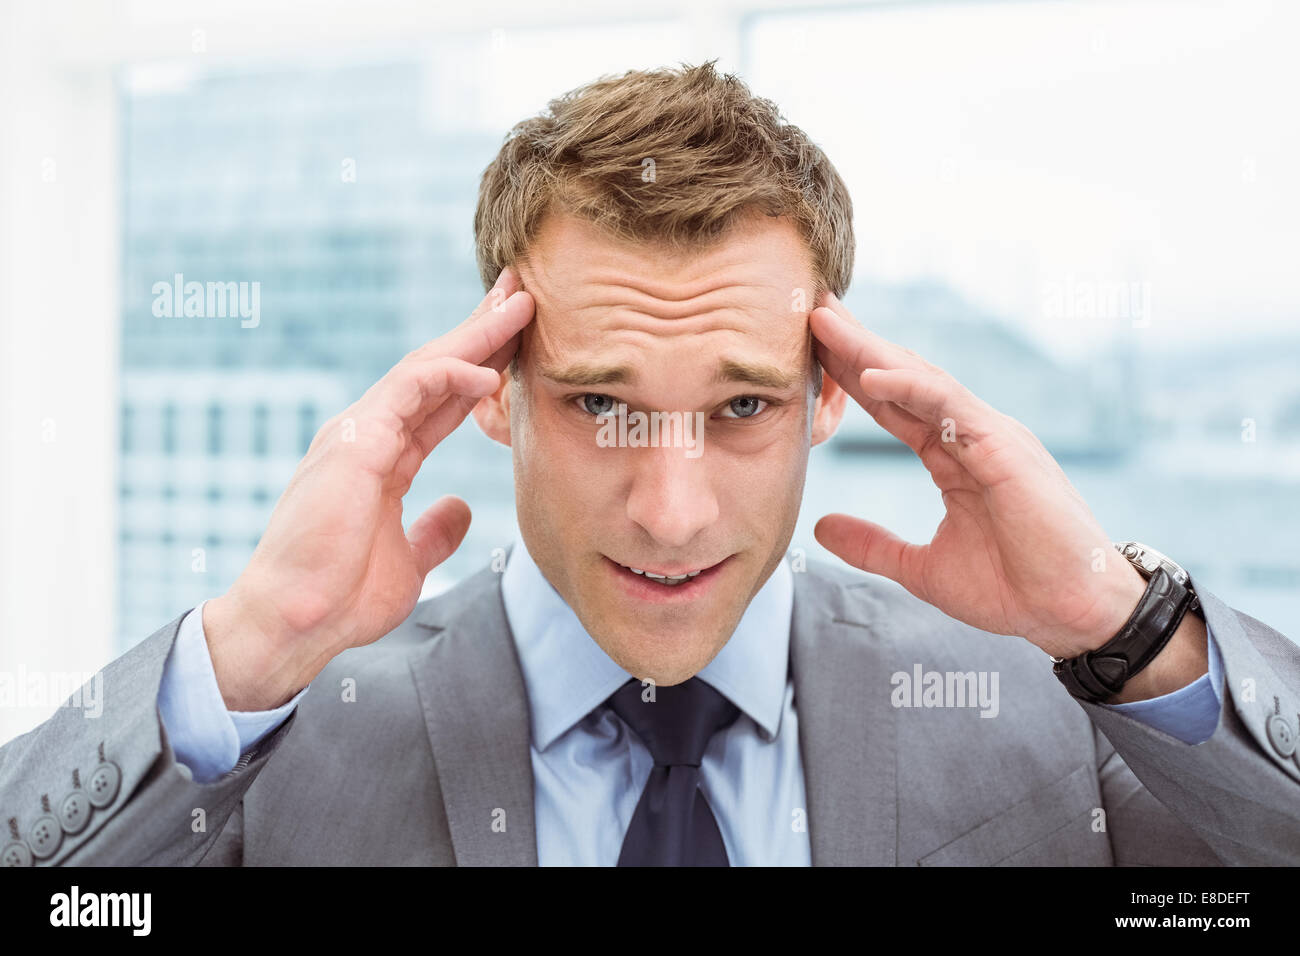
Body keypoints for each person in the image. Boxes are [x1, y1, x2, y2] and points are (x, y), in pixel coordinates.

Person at [2, 62, 1297, 867]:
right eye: (599, 404)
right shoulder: (269, 739)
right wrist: (249, 646)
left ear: (827, 398)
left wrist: (1130, 630)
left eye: (741, 406)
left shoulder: (1056, 709)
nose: (673, 514)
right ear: (493, 393)